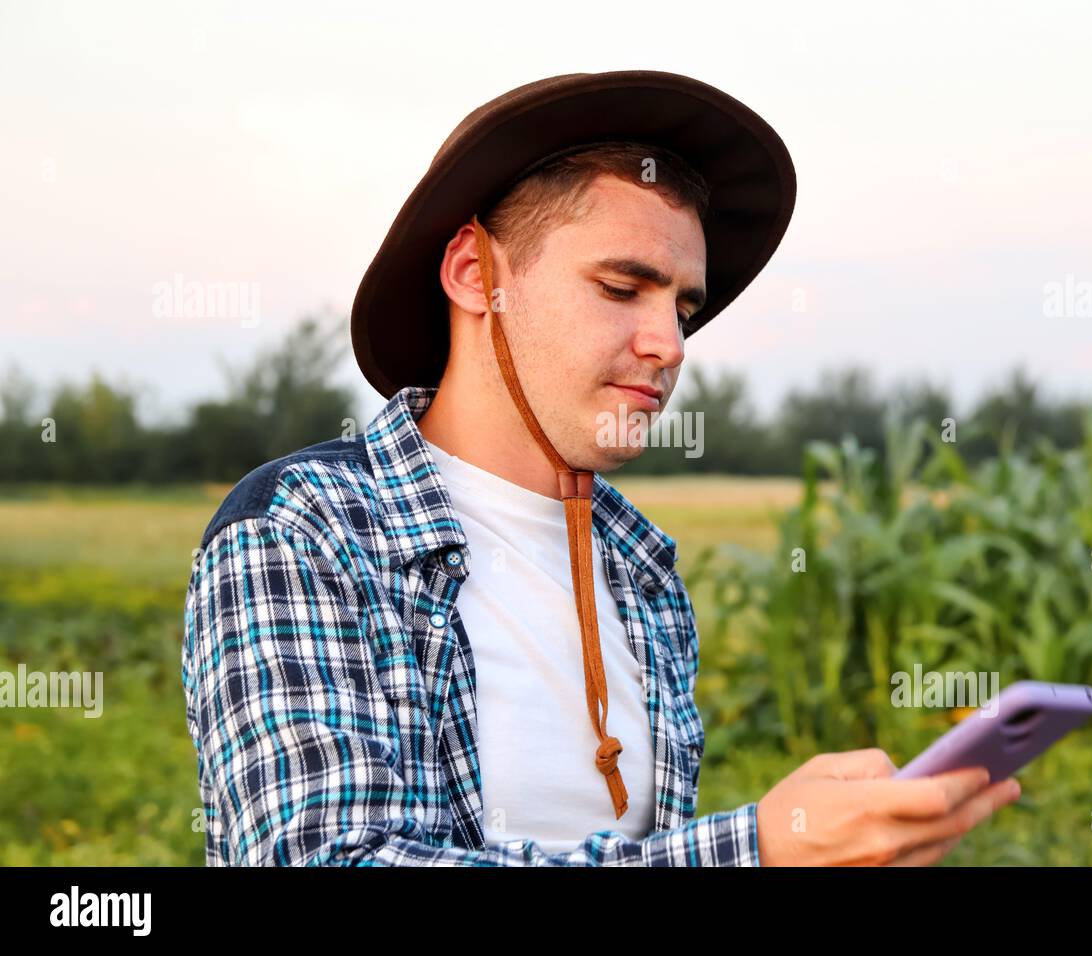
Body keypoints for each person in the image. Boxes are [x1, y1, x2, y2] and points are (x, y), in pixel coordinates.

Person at [181, 69, 1019, 866]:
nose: (670, 345)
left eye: (683, 307)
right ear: (477, 275)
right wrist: (755, 850)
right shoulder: (305, 531)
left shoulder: (640, 564)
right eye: (623, 288)